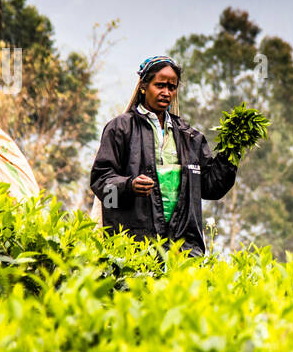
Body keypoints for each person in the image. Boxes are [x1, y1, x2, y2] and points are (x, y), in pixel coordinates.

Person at [90, 55, 237, 255]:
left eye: (172, 87)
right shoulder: (121, 128)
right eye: (159, 85)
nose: (166, 92)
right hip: (134, 246)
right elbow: (101, 181)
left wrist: (231, 151)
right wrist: (129, 185)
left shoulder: (189, 136)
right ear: (143, 86)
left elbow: (211, 187)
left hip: (183, 247)